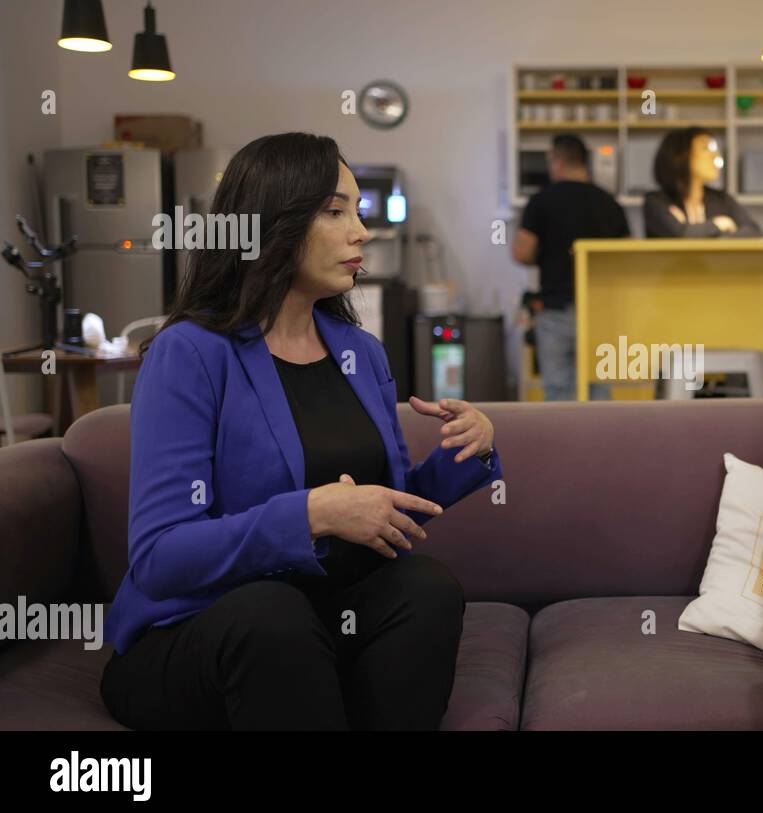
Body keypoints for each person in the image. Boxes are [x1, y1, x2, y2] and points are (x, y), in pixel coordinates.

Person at [100, 132, 503, 731]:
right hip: (204, 634)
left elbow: (382, 513)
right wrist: (311, 513)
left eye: (357, 212)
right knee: (272, 613)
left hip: (319, 625)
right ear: (271, 224)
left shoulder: (360, 353)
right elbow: (161, 558)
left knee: (425, 586)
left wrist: (470, 450)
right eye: (336, 212)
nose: (361, 232)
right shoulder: (190, 353)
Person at [513, 134, 629, 400]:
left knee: (559, 392)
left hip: (555, 310)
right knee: (599, 389)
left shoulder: (541, 202)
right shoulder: (609, 204)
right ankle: (601, 442)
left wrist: (546, 253)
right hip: (601, 311)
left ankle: (565, 443)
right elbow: (624, 258)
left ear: (557, 159)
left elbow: (522, 252)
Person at [643, 127, 763, 238]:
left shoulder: (722, 200)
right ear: (680, 155)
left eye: (714, 149)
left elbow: (754, 232)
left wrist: (702, 234)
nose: (715, 155)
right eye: (706, 148)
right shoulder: (656, 202)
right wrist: (719, 225)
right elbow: (680, 235)